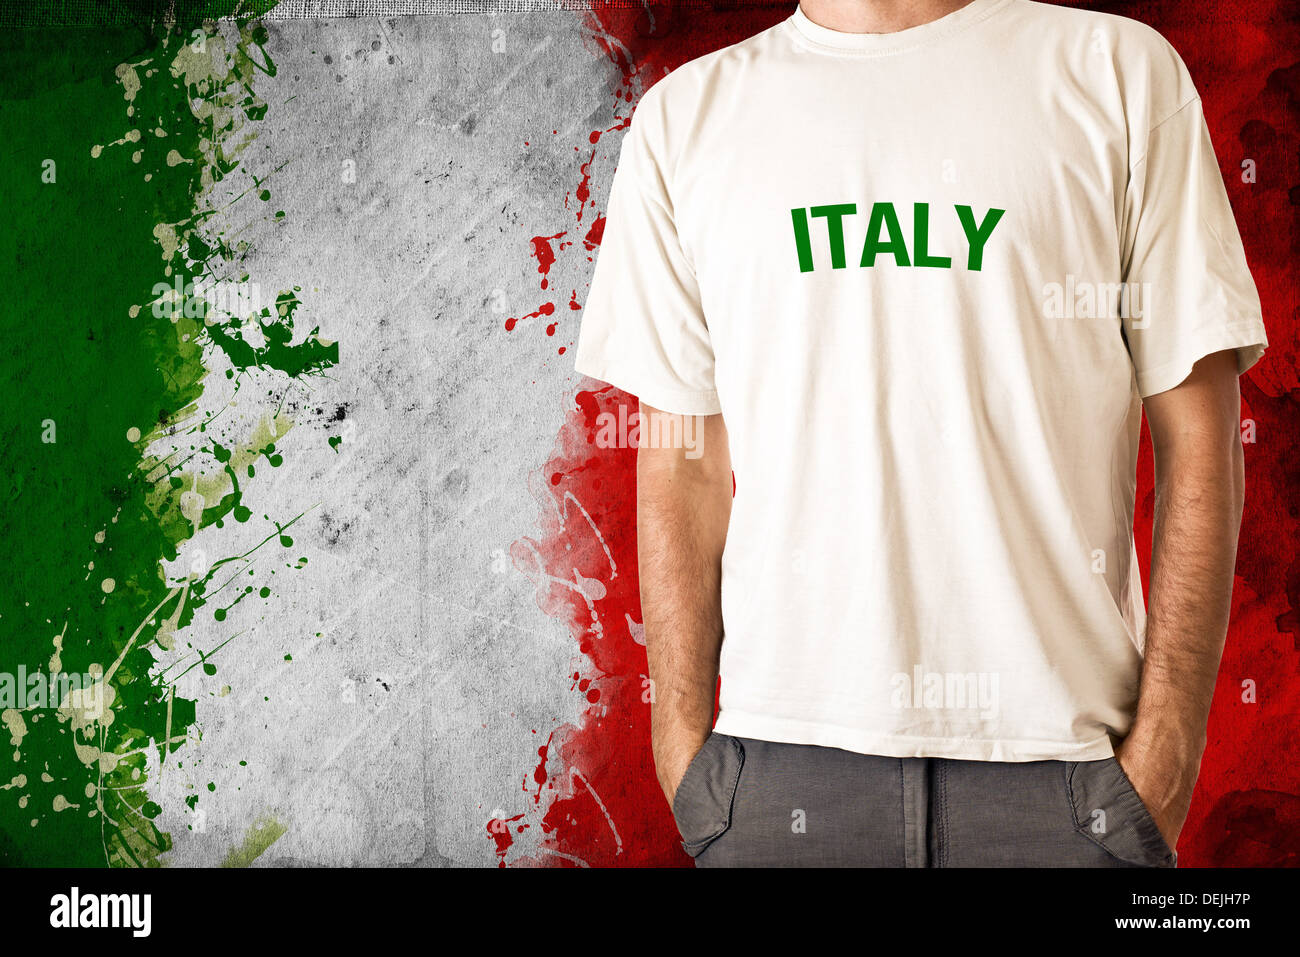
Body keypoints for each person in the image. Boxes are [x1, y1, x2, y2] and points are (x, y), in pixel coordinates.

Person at [573, 0, 1268, 866]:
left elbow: (1199, 433)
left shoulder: (1118, 73)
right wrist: (688, 761)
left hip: (1064, 780)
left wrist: (1159, 766)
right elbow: (685, 467)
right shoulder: (686, 120)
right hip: (780, 776)